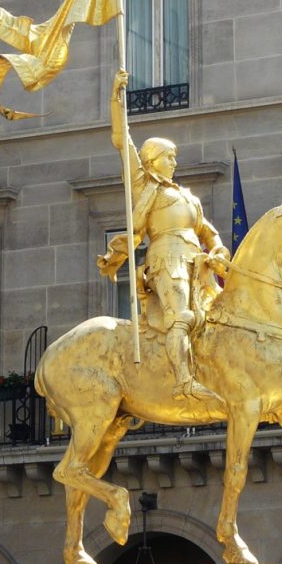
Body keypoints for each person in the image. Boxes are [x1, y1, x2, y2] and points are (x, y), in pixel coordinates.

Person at [98, 69, 229, 401]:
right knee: (181, 317)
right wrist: (116, 96)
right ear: (152, 161)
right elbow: (122, 139)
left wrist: (218, 252)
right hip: (166, 260)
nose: (174, 162)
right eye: (169, 157)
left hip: (198, 263)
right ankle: (183, 381)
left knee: (220, 317)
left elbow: (209, 233)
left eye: (174, 157)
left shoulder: (188, 196)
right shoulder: (145, 186)